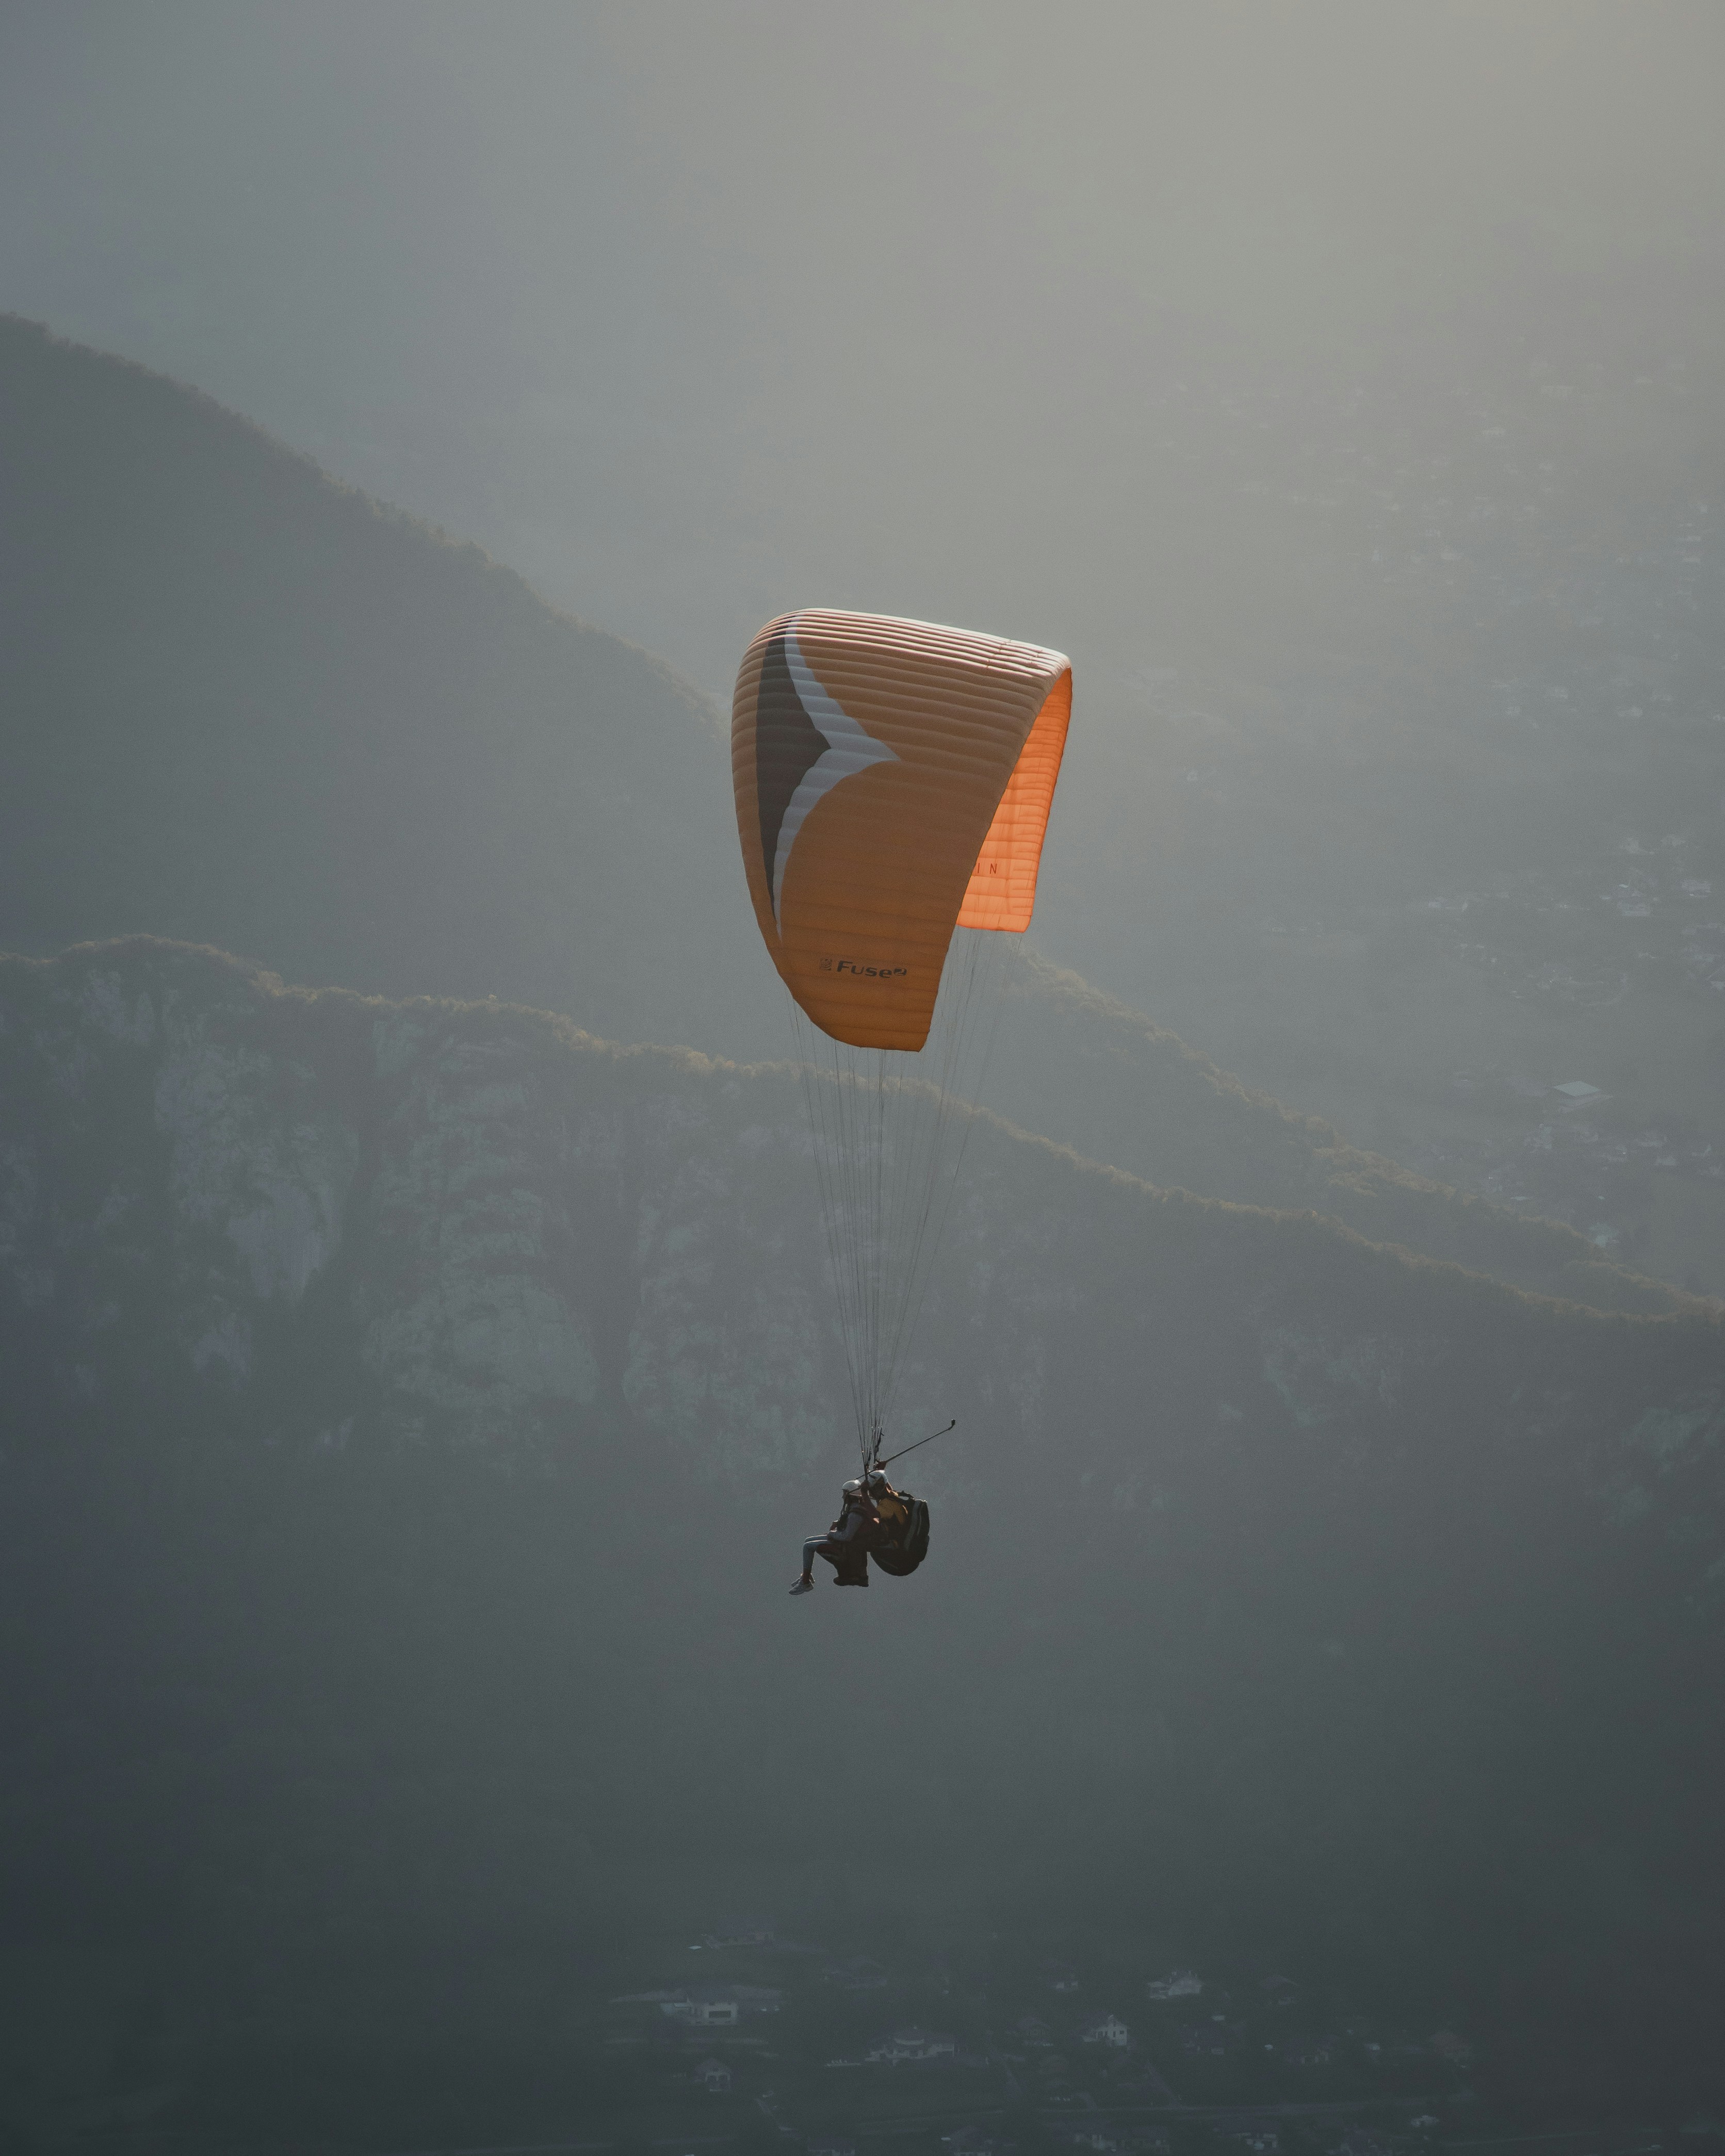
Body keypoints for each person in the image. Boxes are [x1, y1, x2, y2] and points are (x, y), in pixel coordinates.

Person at [789, 1475, 882, 1594]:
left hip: (845, 1547)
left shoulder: (856, 1513)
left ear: (850, 1495)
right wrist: (838, 1523)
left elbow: (847, 1537)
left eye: (844, 1494)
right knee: (808, 1540)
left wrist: (833, 1535)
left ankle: (806, 1582)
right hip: (842, 1540)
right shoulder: (856, 1508)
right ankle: (806, 1576)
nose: (843, 1497)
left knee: (808, 1547)